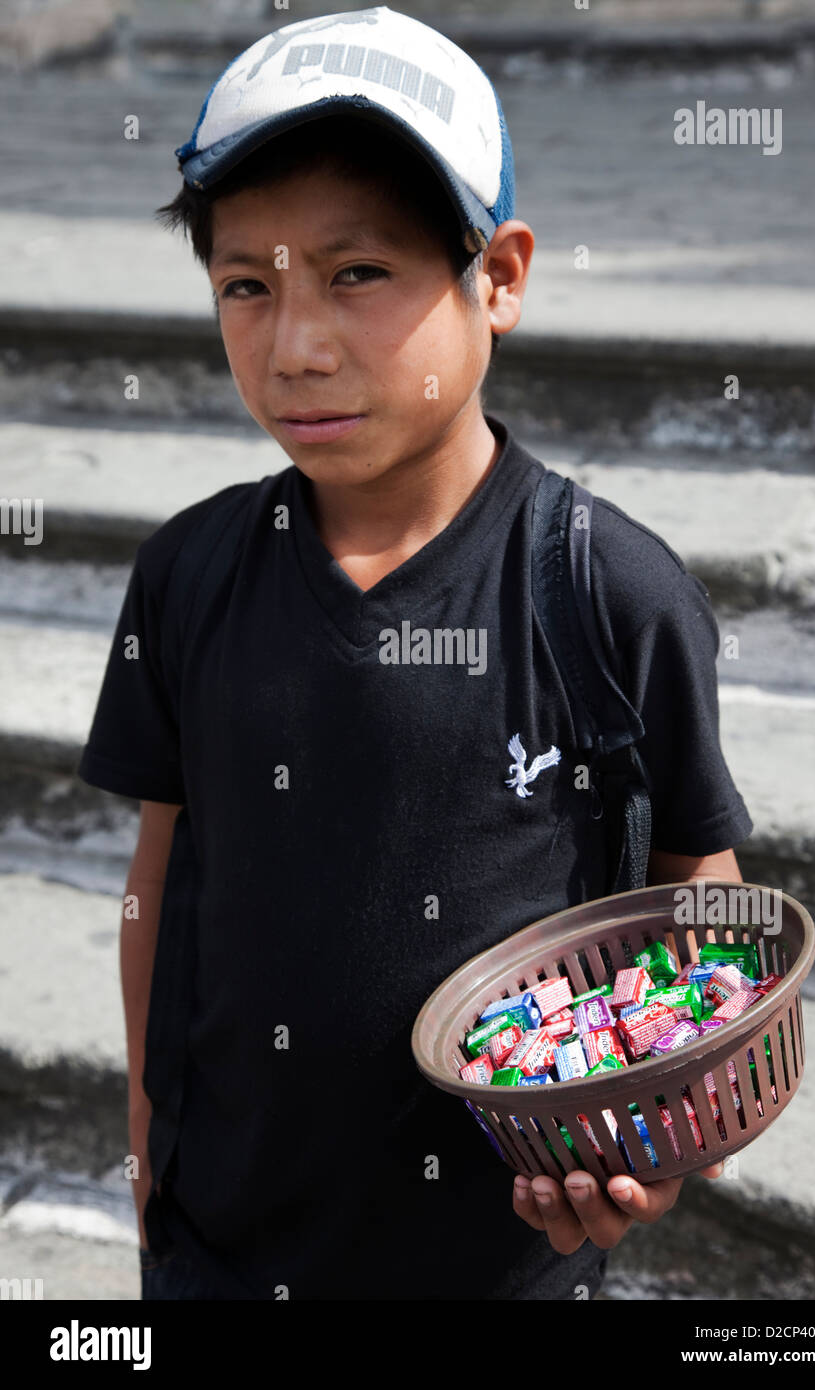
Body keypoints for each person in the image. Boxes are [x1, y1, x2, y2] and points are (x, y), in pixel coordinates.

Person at [78, 7, 752, 1300]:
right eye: (245, 286)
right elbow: (163, 869)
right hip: (221, 1250)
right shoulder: (186, 573)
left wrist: (667, 1133)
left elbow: (703, 914)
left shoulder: (607, 591)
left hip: (499, 1266)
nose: (294, 346)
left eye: (355, 274)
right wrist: (147, 1121)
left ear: (496, 277)